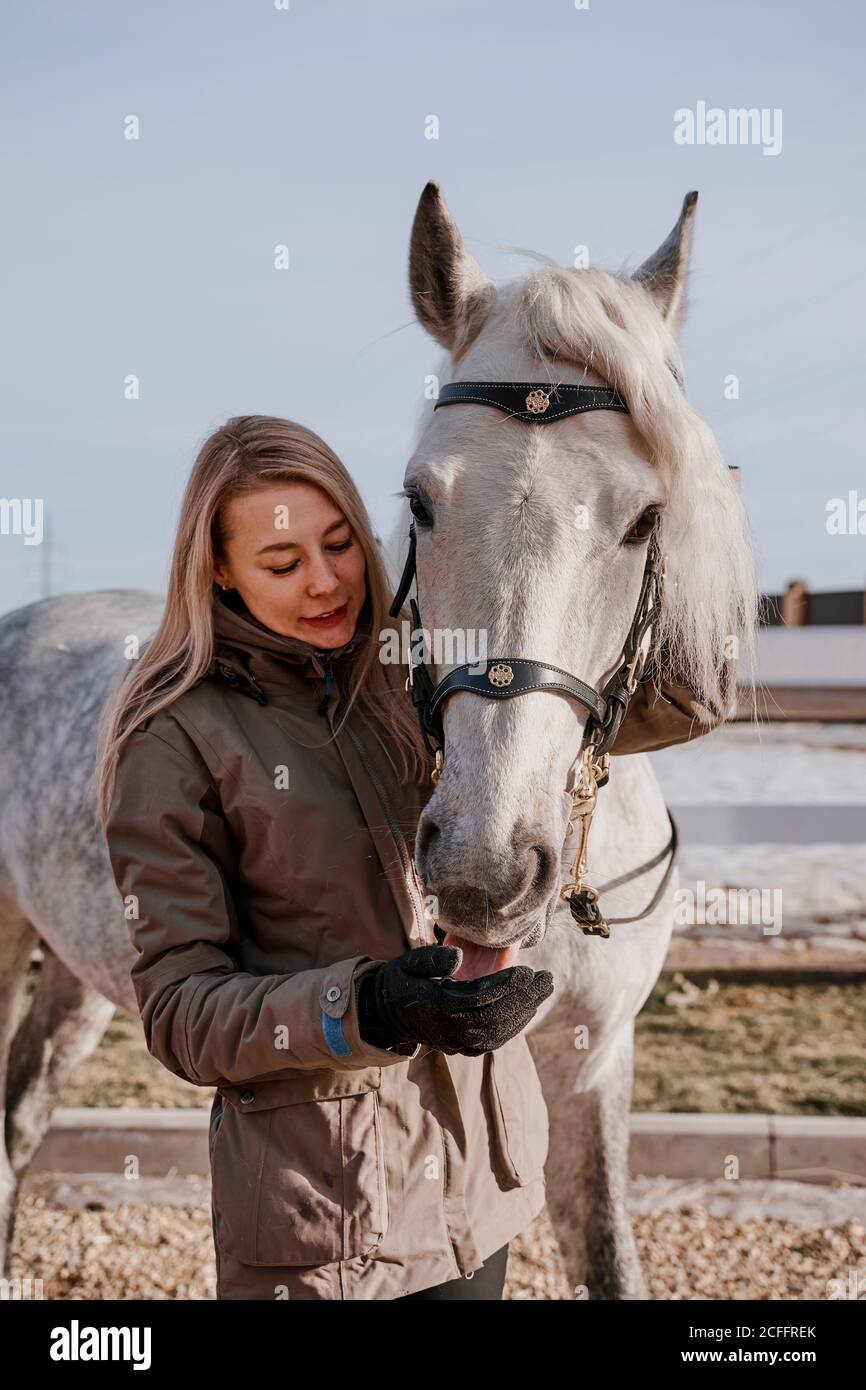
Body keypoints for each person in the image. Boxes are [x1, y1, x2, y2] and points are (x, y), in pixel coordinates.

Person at [95, 415, 554, 1301]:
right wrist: (371, 1006)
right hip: (330, 1220)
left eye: (339, 543)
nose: (325, 582)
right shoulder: (174, 738)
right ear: (218, 572)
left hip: (480, 1183)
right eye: (281, 564)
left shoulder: (407, 669)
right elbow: (182, 1015)